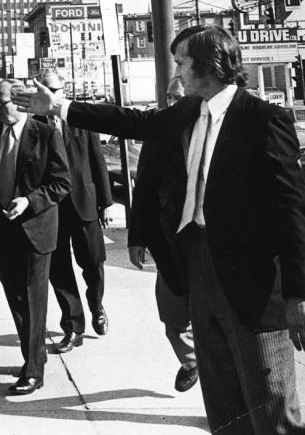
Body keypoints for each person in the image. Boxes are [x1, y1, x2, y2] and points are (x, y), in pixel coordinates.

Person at [14, 26, 305, 435]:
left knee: (271, 412)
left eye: (181, 62)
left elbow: (291, 210)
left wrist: (300, 293)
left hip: (253, 283)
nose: (176, 72)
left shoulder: (264, 120)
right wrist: (60, 107)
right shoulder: (188, 112)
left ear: (210, 65)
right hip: (196, 268)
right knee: (225, 409)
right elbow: (131, 121)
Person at [0, 79, 71, 395]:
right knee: (15, 297)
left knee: (33, 297)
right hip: (2, 231)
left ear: (19, 102)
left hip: (36, 229)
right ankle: (33, 355)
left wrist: (29, 200)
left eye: (0, 102)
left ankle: (33, 369)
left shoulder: (45, 133)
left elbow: (61, 183)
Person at [128, 74, 197, 391]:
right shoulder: (158, 135)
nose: (174, 104)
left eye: (180, 98)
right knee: (172, 319)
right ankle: (192, 360)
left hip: (210, 248)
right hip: (171, 246)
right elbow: (142, 189)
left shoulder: (212, 134)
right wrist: (137, 237)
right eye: (170, 98)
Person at [36, 69, 112, 353]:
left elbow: (97, 160)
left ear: (63, 91)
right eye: (44, 89)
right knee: (59, 270)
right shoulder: (34, 125)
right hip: (52, 208)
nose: (50, 94)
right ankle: (73, 327)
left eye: (54, 89)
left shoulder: (80, 119)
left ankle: (97, 306)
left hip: (85, 204)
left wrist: (105, 202)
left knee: (93, 263)